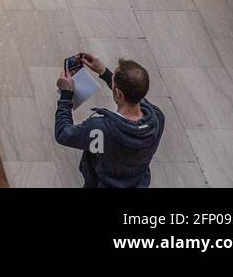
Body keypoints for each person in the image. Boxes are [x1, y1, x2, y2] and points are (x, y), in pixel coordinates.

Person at [55, 53, 165, 188]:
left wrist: (66, 96)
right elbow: (135, 93)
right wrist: (103, 71)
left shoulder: (101, 130)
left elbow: (63, 134)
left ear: (118, 93)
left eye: (112, 81)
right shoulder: (157, 118)